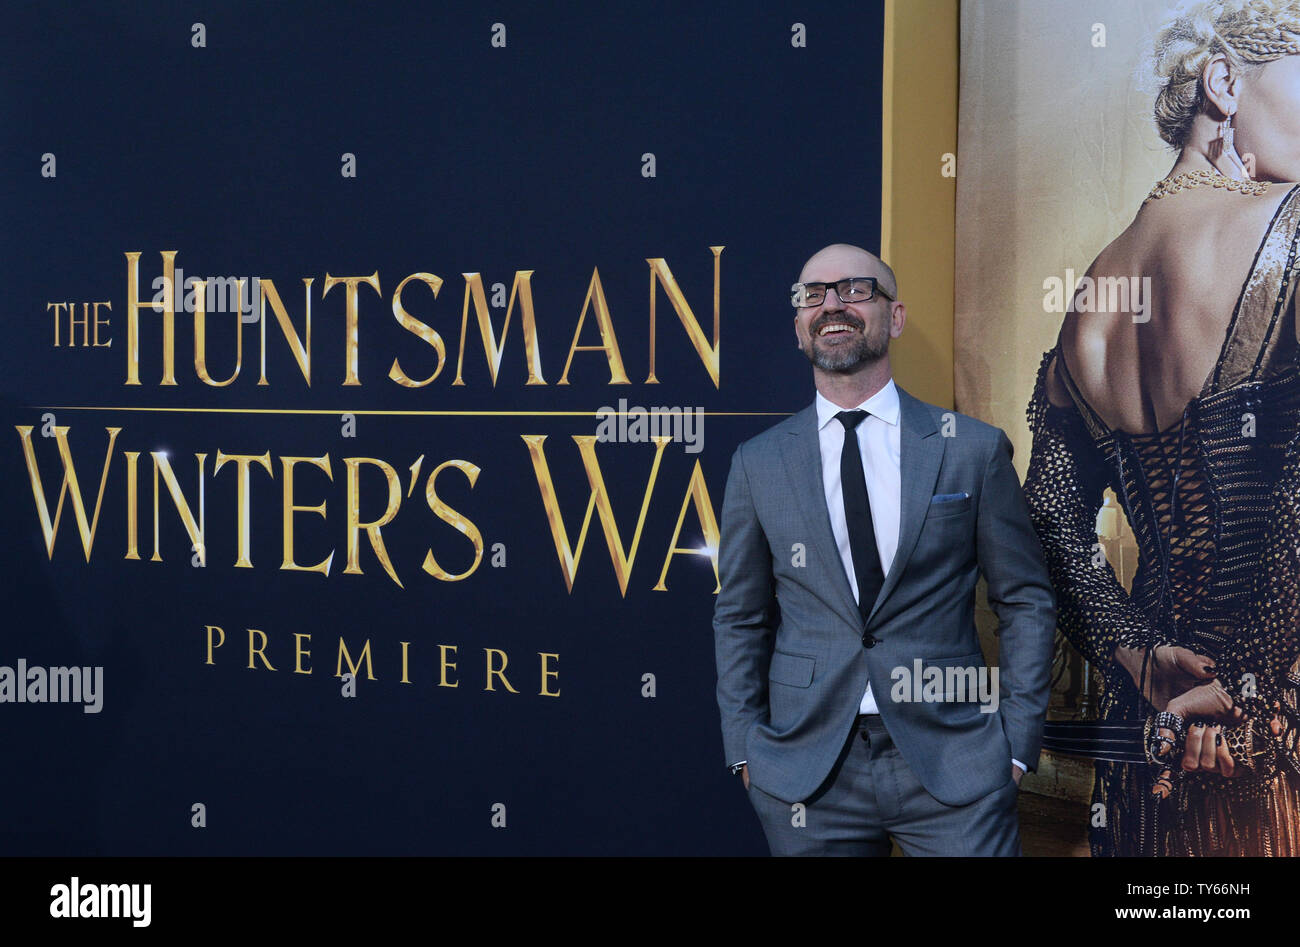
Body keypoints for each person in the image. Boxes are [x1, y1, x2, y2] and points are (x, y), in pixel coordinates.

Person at [1023, 0, 1300, 856]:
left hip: (1148, 742)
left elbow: (1046, 515)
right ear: (1225, 83)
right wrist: (1257, 687)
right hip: (1265, 735)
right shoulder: (1290, 227)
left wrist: (1139, 656)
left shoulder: (1091, 300)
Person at [713, 243, 1056, 856]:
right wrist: (744, 748)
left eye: (855, 290)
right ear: (798, 327)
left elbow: (1025, 598)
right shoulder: (757, 463)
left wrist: (1016, 745)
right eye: (812, 294)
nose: (832, 304)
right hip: (805, 776)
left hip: (957, 765)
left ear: (895, 317)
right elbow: (739, 615)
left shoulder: (970, 450)